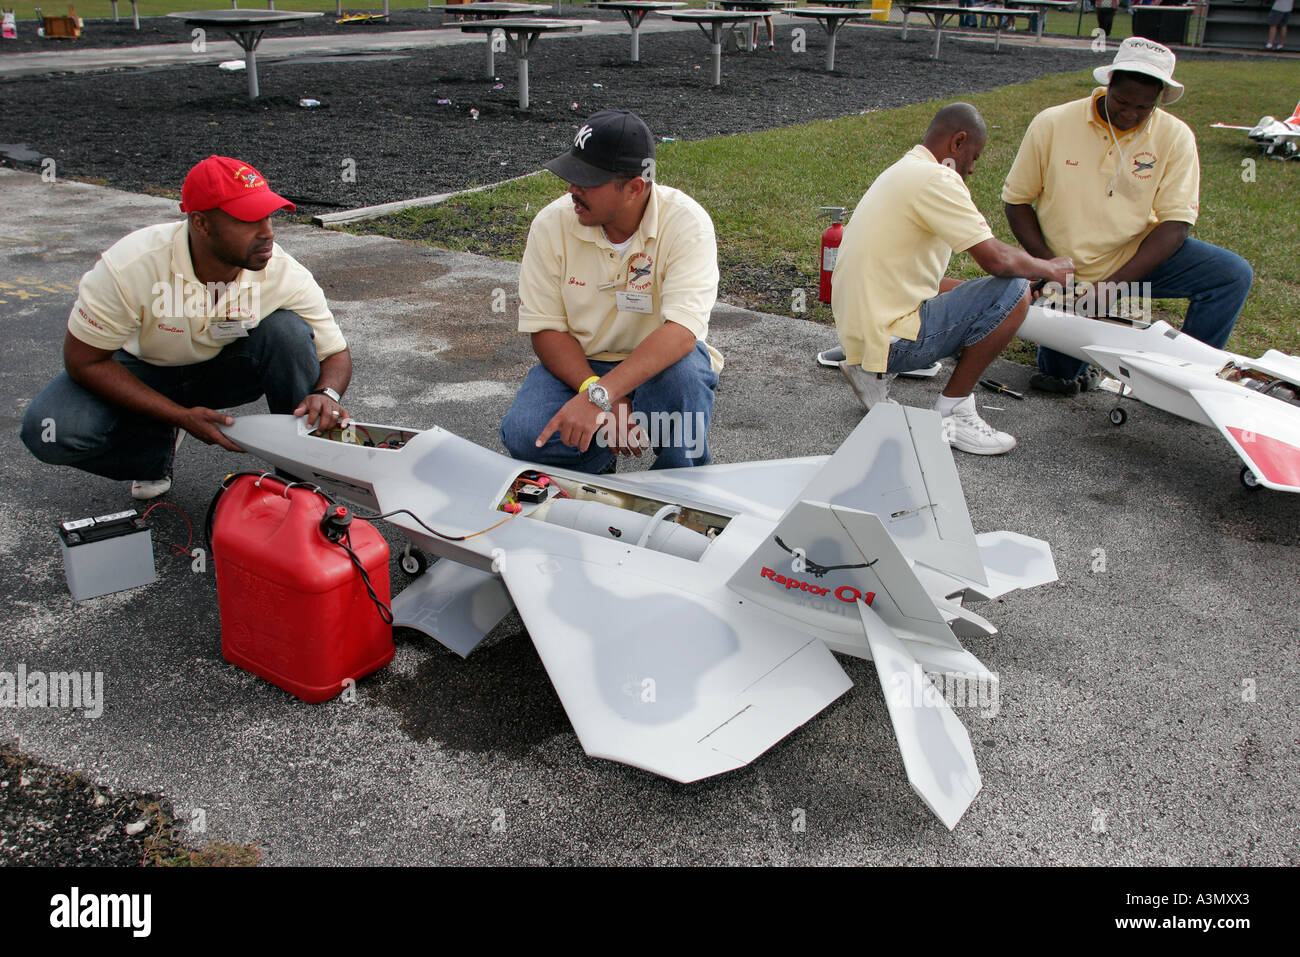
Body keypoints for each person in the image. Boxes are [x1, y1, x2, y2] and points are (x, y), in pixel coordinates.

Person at [20, 155, 352, 499]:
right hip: (141, 370)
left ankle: (299, 481)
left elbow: (336, 353)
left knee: (288, 332)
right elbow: (83, 361)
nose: (267, 233)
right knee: (51, 431)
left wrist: (325, 394)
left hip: (222, 372)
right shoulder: (131, 265)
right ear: (202, 224)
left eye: (268, 217)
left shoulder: (283, 273)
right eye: (248, 221)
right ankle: (152, 454)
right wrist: (179, 416)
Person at [1002, 38, 1253, 394]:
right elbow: (1017, 202)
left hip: (1137, 257)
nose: (1130, 114)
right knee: (1059, 379)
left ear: (1159, 99)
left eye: (1144, 107)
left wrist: (1113, 285)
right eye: (1122, 101)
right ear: (1108, 85)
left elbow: (1175, 224)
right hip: (1071, 267)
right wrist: (1048, 266)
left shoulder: (1176, 136)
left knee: (1231, 275)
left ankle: (1187, 379)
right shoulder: (1053, 123)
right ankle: (1073, 352)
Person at [830, 103, 1073, 455]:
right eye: (974, 156)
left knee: (989, 295)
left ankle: (868, 372)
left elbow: (927, 282)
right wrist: (1050, 268)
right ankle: (952, 412)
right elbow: (996, 261)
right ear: (958, 142)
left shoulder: (904, 169)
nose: (972, 169)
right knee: (1016, 291)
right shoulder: (938, 178)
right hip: (891, 341)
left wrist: (993, 300)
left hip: (859, 334)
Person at [499, 110, 722, 474]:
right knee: (526, 436)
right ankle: (598, 463)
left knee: (685, 383)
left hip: (661, 363)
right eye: (572, 175)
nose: (573, 188)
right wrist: (595, 392)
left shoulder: (687, 224)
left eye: (587, 180)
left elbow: (681, 333)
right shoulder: (551, 224)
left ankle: (684, 486)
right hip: (584, 362)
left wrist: (605, 395)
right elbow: (546, 329)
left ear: (635, 187)